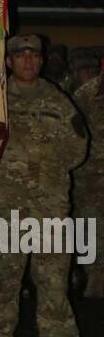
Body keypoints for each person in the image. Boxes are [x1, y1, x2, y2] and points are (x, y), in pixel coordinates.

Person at [0, 35, 88, 337]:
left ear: (42, 61)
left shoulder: (58, 102)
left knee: (54, 279)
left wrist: (46, 170)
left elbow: (77, 149)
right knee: (4, 279)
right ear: (9, 61)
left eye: (34, 55)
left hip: (49, 208)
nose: (28, 61)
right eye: (20, 55)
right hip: (8, 208)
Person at [73, 71, 104, 298]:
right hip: (91, 174)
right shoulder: (86, 94)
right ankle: (93, 276)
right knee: (89, 227)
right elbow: (73, 131)